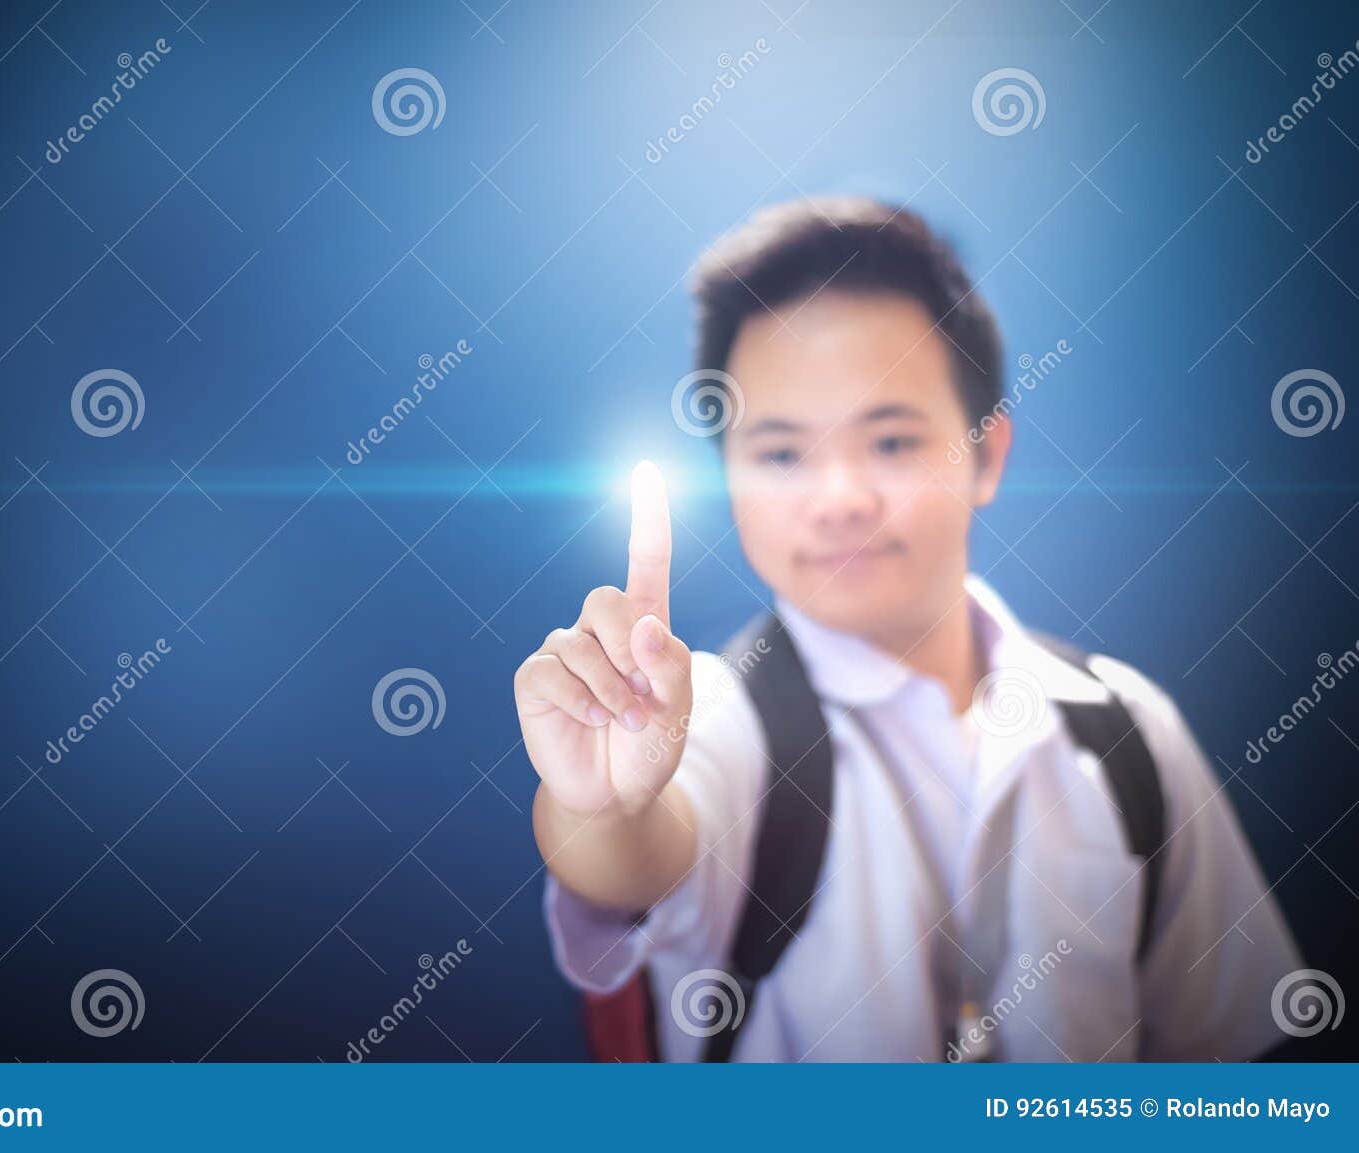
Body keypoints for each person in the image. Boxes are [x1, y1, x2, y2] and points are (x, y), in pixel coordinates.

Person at [512, 197, 1303, 1062]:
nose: (840, 497)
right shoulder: (714, 720)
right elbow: (641, 846)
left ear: (988, 456)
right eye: (780, 454)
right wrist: (603, 809)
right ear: (731, 478)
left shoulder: (1129, 734)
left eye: (891, 442)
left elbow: (1241, 1067)